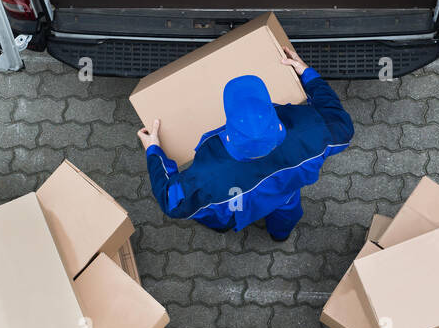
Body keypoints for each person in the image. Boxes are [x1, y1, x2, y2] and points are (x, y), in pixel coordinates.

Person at [137, 45, 354, 240]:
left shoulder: (209, 177)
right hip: (285, 191)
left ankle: (225, 227)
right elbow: (340, 122)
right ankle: (279, 236)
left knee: (220, 218)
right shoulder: (313, 133)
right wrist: (307, 74)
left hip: (235, 205)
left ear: (228, 136)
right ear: (277, 123)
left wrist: (153, 150)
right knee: (286, 212)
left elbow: (172, 201)